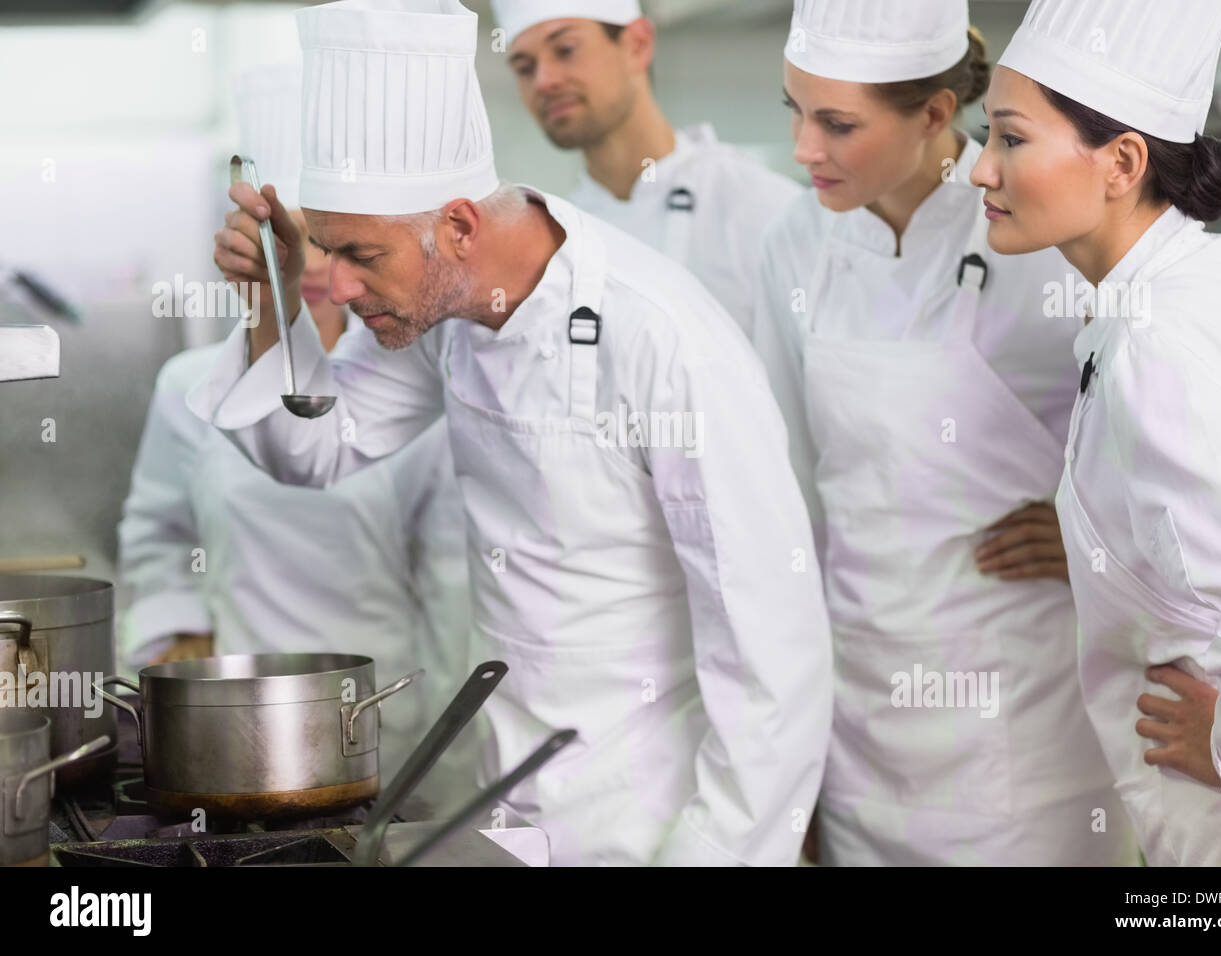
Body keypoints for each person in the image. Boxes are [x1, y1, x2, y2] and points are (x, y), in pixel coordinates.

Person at [194, 0, 832, 866]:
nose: (337, 288)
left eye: (360, 257)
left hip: (658, 821)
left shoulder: (663, 342)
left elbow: (771, 657)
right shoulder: (444, 311)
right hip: (509, 803)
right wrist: (273, 300)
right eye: (326, 252)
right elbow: (313, 449)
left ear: (457, 226)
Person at [753, 0, 1137, 865]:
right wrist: (786, 761)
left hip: (1027, 748)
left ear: (933, 114)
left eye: (837, 123)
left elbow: (1166, 465)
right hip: (859, 730)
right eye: (796, 112)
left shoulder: (1038, 230)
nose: (803, 150)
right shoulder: (794, 243)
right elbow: (785, 501)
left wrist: (1096, 536)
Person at [973, 0, 1221, 865]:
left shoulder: (1153, 340)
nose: (980, 170)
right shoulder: (1208, 278)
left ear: (1122, 161)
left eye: (1010, 139)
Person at [117, 61, 478, 810]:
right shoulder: (191, 385)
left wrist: (450, 764)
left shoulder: (410, 384)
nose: (313, 265)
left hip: (380, 724)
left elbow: (451, 586)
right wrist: (175, 626)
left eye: (330, 241)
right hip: (229, 722)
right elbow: (157, 534)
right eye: (292, 238)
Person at [491, 0, 801, 340]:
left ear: (638, 45)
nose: (544, 80)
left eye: (565, 50)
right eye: (524, 68)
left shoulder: (763, 207)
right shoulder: (558, 237)